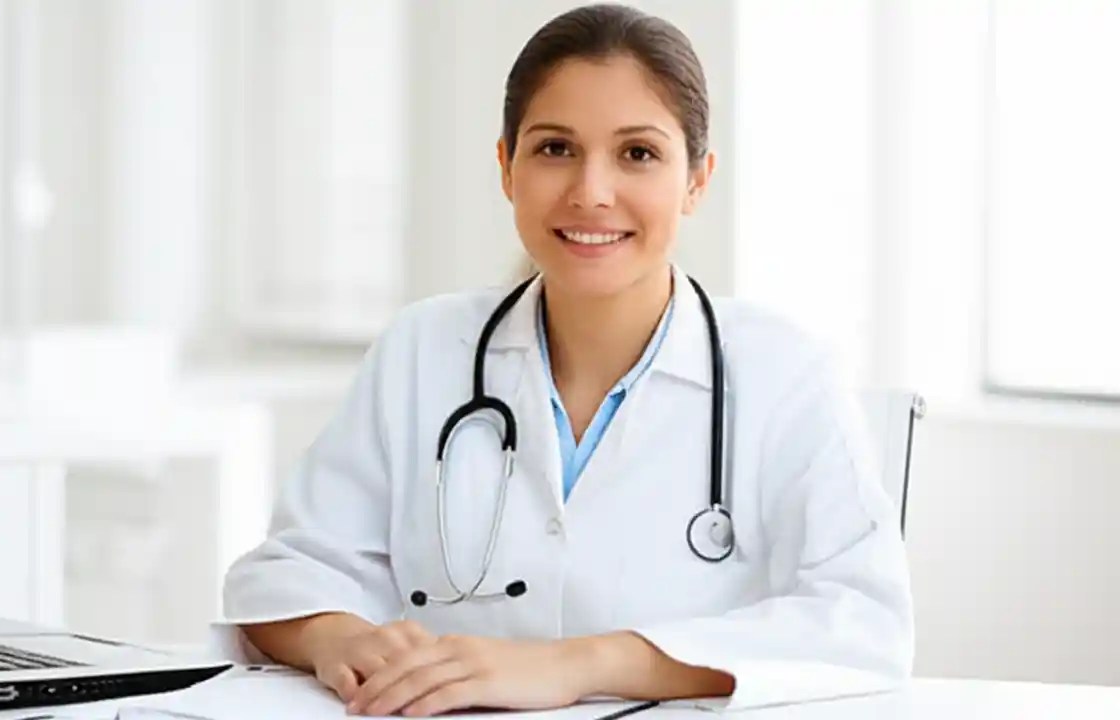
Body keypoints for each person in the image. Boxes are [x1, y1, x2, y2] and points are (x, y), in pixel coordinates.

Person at [222, 3, 913, 716]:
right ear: (506, 167)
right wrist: (339, 638)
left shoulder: (784, 371)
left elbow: (863, 622)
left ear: (697, 180)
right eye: (555, 148)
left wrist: (580, 665)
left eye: (638, 154)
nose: (591, 192)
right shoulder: (423, 348)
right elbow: (287, 573)